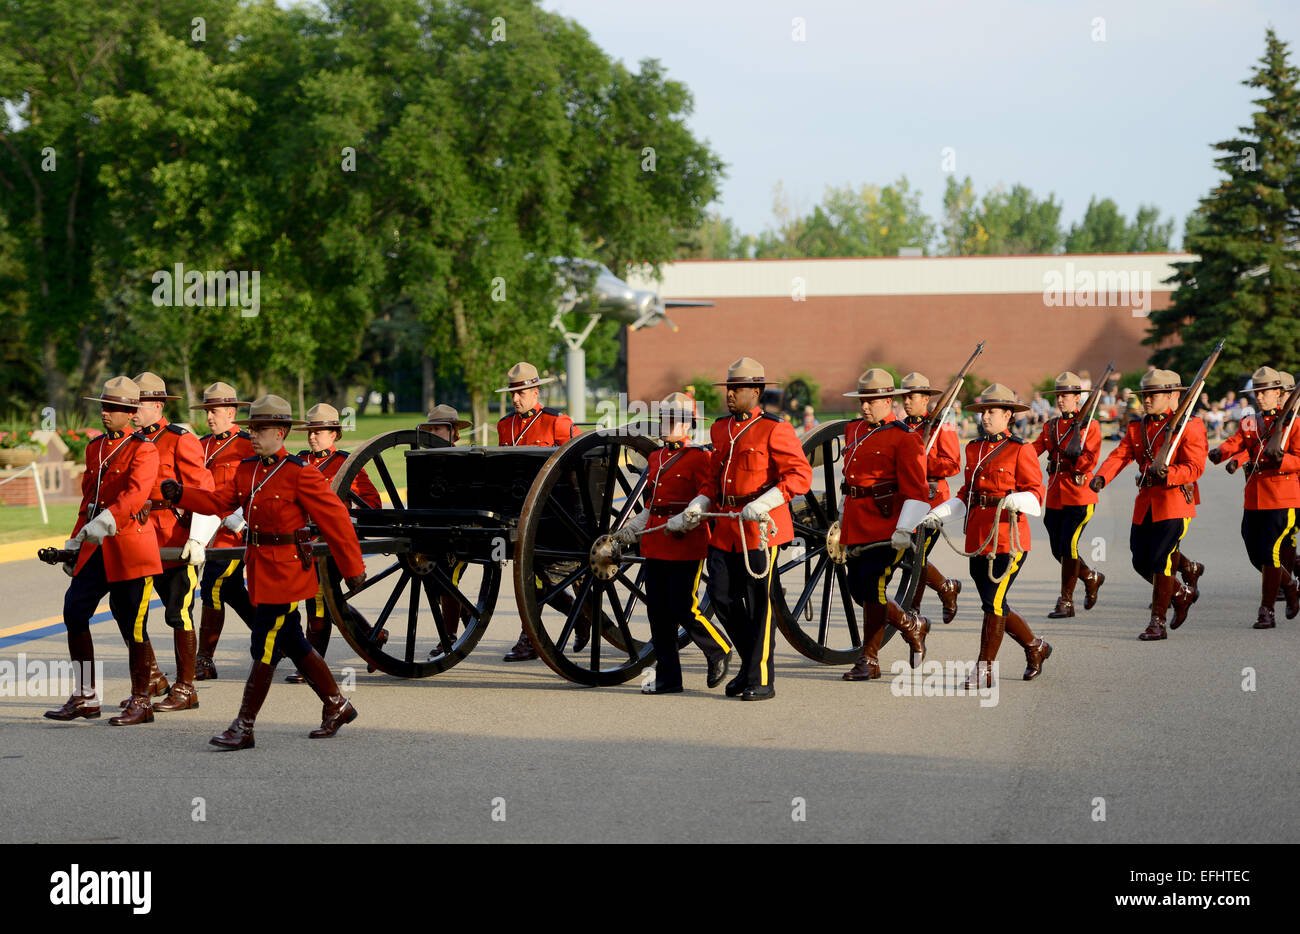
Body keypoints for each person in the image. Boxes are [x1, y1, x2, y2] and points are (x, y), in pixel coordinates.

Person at [161, 395, 368, 749]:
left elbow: (335, 520)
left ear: (283, 432)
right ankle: (337, 704)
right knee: (294, 642)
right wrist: (183, 494)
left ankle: (244, 726)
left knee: (264, 644)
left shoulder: (300, 473)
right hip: (260, 567)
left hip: (287, 571)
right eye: (253, 428)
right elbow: (218, 502)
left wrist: (353, 568)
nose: (254, 434)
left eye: (262, 429)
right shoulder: (248, 469)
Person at [670, 357, 812, 701]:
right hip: (725, 524)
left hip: (760, 529)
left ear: (756, 391)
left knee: (759, 606)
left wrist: (764, 502)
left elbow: (800, 476)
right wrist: (699, 504)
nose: (730, 395)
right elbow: (711, 479)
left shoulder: (775, 428)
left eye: (737, 389)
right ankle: (749, 665)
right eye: (729, 389)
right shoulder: (720, 428)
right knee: (720, 597)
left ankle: (761, 679)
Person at [45, 377, 164, 725]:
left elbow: (136, 494)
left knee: (134, 624)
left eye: (113, 408)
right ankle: (86, 696)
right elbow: (88, 500)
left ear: (130, 413)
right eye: (103, 406)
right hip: (96, 546)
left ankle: (142, 700)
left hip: (130, 547)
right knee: (74, 611)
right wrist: (75, 541)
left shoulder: (144, 448)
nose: (105, 413)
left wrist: (106, 520)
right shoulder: (94, 447)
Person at [916, 384, 1050, 688]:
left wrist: (1017, 500)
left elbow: (1035, 493)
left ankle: (983, 669)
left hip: (1008, 539)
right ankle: (1035, 646)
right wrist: (940, 513)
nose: (986, 416)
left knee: (994, 603)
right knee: (994, 602)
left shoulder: (1021, 449)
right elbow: (967, 493)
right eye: (984, 411)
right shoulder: (973, 448)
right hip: (978, 538)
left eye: (992, 412)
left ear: (1008, 416)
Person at [611, 392, 734, 693]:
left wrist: (688, 519)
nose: (666, 425)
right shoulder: (655, 457)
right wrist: (634, 527)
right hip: (656, 542)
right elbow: (651, 502)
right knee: (657, 612)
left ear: (689, 425)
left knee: (683, 606)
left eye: (673, 420)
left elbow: (706, 497)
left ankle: (719, 649)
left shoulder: (699, 457)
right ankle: (669, 677)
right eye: (664, 419)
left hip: (685, 541)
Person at [1091, 368, 1207, 641]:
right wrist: (1101, 476)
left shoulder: (1189, 426)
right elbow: (1121, 455)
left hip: (1175, 501)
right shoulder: (1138, 427)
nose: (1146, 400)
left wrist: (1170, 474)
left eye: (1152, 395)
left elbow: (1195, 467)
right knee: (1140, 561)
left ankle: (1158, 621)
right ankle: (1181, 594)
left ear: (1172, 396)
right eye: (1144, 395)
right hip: (1146, 502)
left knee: (1161, 560)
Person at [129, 372, 219, 714]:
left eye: (138, 404)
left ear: (156, 405)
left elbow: (205, 492)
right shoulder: (132, 440)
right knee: (131, 611)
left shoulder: (180, 439)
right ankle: (152, 677)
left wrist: (198, 537)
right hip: (139, 538)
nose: (132, 410)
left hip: (175, 538)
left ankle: (186, 688)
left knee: (177, 613)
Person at [833, 369, 931, 681]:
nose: (865, 406)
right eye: (863, 400)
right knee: (857, 589)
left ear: (888, 400)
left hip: (888, 525)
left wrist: (905, 528)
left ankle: (869, 659)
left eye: (872, 400)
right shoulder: (854, 431)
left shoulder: (904, 438)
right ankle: (911, 625)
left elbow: (917, 490)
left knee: (874, 587)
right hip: (855, 524)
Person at [283, 402, 382, 682]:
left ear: (334, 434)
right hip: (305, 544)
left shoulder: (345, 464)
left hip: (331, 545)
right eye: (310, 431)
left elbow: (370, 504)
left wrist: (345, 521)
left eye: (320, 431)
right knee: (329, 600)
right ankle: (375, 636)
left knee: (317, 600)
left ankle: (311, 665)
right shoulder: (300, 460)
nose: (313, 436)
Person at [495, 362, 579, 661]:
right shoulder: (505, 425)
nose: (516, 399)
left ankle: (528, 638)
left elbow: (580, 467)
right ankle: (580, 618)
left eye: (521, 392)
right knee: (532, 576)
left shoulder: (557, 422)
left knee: (534, 576)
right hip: (519, 512)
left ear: (535, 391)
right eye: (512, 393)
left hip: (555, 513)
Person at [1207, 366, 1300, 629]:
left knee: (1270, 551)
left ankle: (1266, 610)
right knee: (1253, 551)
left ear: (1278, 393)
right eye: (1256, 392)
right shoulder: (1250, 421)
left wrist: (1283, 460)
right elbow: (1237, 442)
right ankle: (1290, 584)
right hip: (1254, 495)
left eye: (1265, 392)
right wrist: (1220, 452)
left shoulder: (1294, 422)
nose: (1259, 396)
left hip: (1283, 495)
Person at [190, 381, 255, 680]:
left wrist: (236, 517)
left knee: (213, 587)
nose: (210, 418)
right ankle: (274, 638)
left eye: (214, 412)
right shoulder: (201, 445)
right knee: (231, 589)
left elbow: (256, 487)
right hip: (204, 529)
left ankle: (204, 659)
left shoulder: (247, 445)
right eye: (207, 412)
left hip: (235, 531)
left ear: (231, 412)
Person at [1033, 371, 1106, 618]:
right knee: (1057, 548)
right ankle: (1090, 576)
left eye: (1066, 395)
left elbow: (1090, 458)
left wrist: (1075, 459)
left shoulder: (1089, 426)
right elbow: (1034, 450)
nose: (1061, 400)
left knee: (1068, 544)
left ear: (1077, 398)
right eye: (1059, 396)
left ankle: (1066, 600)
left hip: (1079, 494)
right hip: (1055, 493)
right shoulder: (1051, 426)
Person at [897, 372, 961, 623]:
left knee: (916, 555)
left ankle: (913, 607)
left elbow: (952, 464)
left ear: (925, 399)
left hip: (933, 502)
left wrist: (921, 463)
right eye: (904, 396)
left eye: (912, 396)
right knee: (908, 553)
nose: (907, 401)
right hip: (906, 501)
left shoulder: (940, 425)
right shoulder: (902, 428)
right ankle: (946, 587)